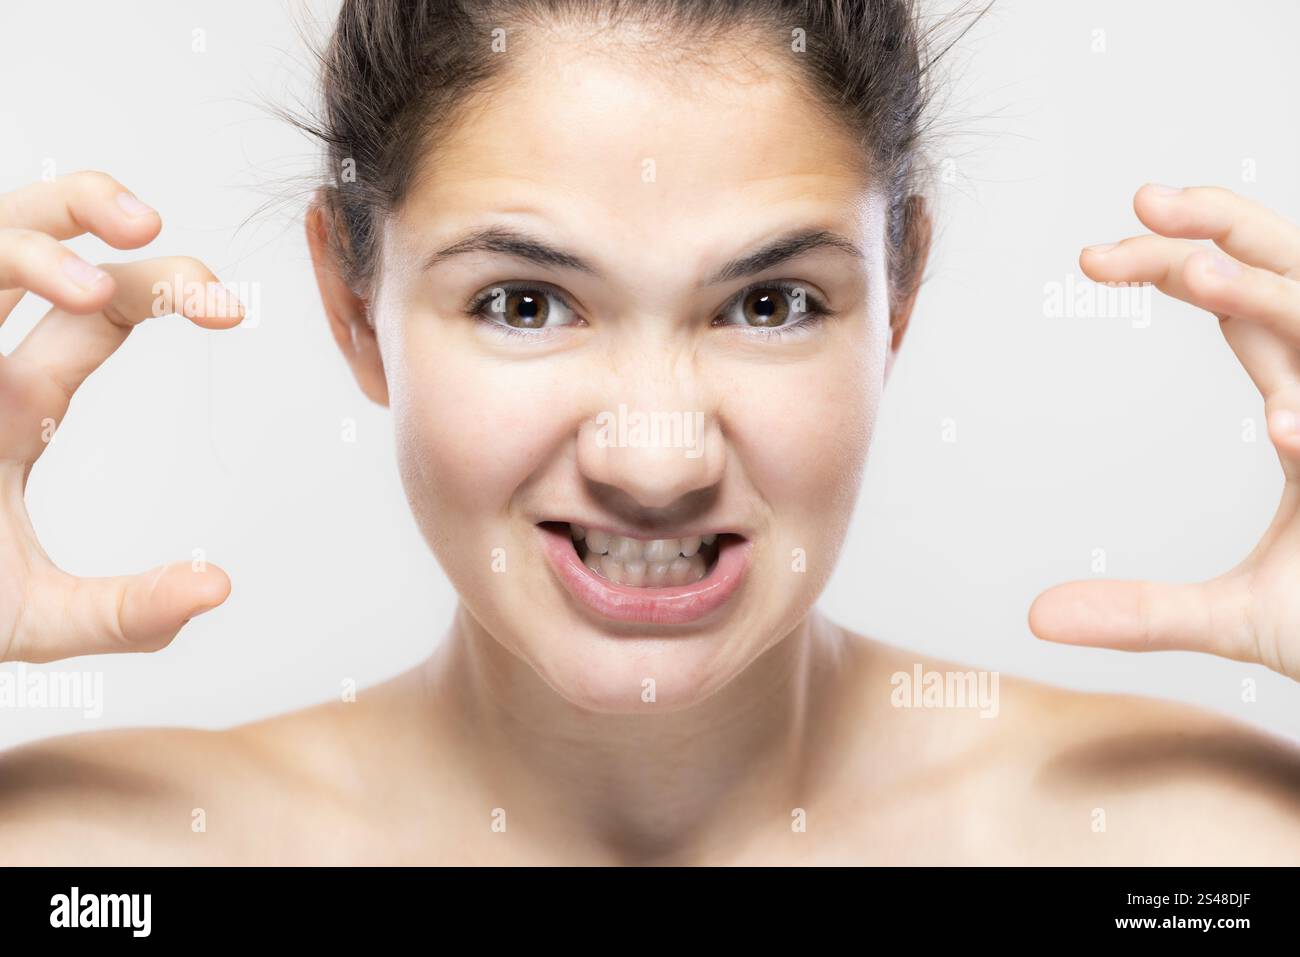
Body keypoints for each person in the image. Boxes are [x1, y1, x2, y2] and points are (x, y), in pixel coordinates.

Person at [1, 0, 1298, 865]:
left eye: (771, 302)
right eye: (525, 303)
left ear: (898, 292)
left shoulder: (1189, 847)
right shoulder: (97, 854)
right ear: (354, 305)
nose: (657, 457)